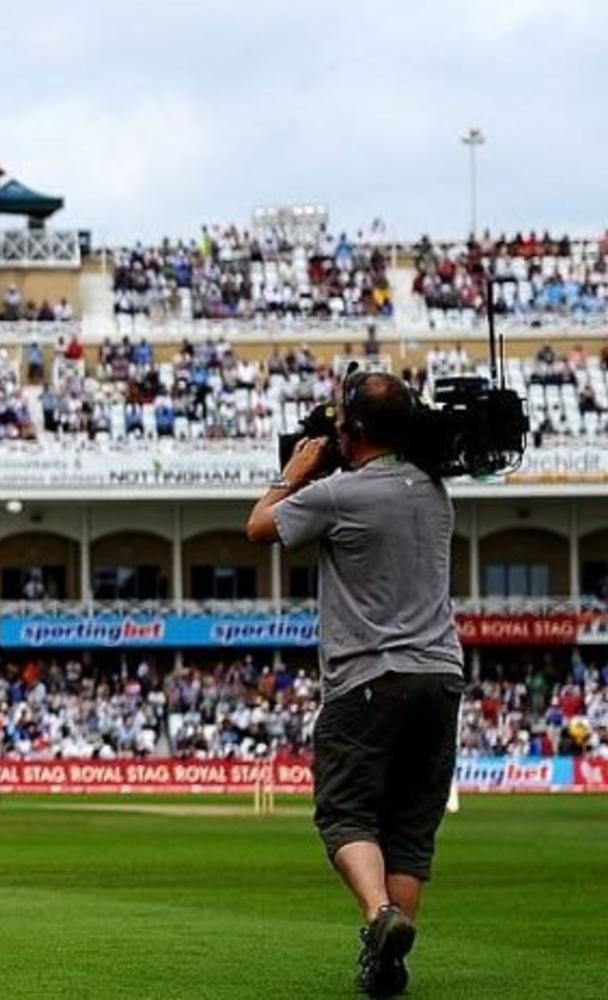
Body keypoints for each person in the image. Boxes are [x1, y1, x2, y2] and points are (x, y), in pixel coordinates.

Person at [247, 371, 463, 998]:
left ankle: (379, 916)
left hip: (368, 677)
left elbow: (259, 527)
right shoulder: (432, 489)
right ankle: (389, 962)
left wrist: (295, 470)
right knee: (411, 829)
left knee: (345, 814)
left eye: (341, 418)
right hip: (441, 676)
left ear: (354, 430)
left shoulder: (338, 494)